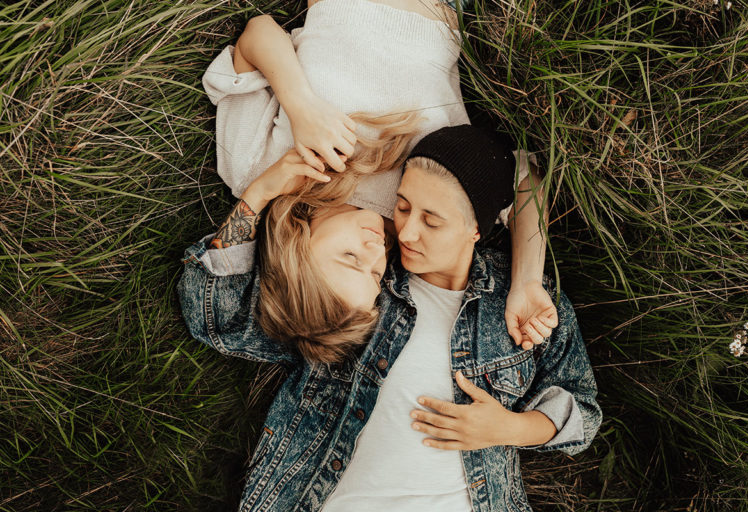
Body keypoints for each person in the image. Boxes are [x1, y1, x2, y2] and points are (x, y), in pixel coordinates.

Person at [177, 125, 602, 511]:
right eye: (401, 207)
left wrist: (510, 429)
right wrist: (258, 195)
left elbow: (582, 411)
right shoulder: (360, 285)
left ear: (477, 229)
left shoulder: (523, 300)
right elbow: (218, 319)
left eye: (431, 221)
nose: (406, 233)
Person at [199, 0, 547, 359]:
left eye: (350, 257)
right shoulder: (413, 211)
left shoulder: (258, 172)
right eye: (375, 275)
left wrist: (301, 106)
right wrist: (527, 282)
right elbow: (525, 179)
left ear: (297, 248)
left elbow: (258, 33)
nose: (374, 249)